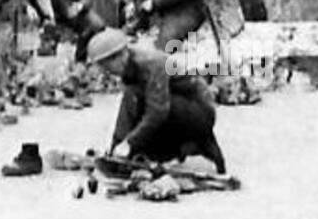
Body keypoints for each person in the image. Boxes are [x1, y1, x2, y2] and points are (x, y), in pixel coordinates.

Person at [87, 28, 227, 173]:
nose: (106, 71)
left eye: (106, 65)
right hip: (176, 103)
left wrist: (130, 143)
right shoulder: (130, 67)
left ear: (120, 56)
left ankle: (193, 146)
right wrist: (115, 145)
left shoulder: (152, 63)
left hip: (198, 110)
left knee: (153, 114)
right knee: (140, 108)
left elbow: (158, 111)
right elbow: (128, 105)